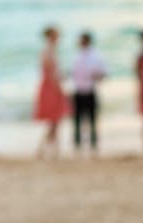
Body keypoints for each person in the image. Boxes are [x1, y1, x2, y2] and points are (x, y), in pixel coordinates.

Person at [33, 26, 69, 159]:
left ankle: (48, 149)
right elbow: (49, 73)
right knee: (54, 120)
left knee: (55, 121)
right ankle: (49, 149)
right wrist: (57, 87)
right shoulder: (48, 51)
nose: (58, 38)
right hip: (51, 88)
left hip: (52, 86)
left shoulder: (51, 50)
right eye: (56, 35)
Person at [71, 32, 107, 155]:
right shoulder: (77, 55)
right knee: (77, 120)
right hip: (78, 90)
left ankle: (93, 144)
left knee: (92, 119)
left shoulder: (96, 56)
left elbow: (104, 73)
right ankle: (77, 144)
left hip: (90, 90)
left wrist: (96, 76)